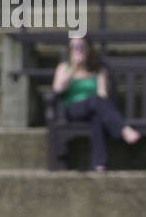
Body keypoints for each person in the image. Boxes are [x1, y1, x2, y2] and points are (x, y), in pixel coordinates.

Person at [53, 37, 141, 172]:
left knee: (97, 118)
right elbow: (58, 88)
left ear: (88, 49)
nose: (78, 50)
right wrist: (74, 69)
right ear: (69, 50)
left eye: (81, 46)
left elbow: (103, 94)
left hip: (94, 108)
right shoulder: (64, 67)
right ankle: (123, 129)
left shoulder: (98, 69)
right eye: (74, 47)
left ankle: (99, 164)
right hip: (73, 108)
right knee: (94, 100)